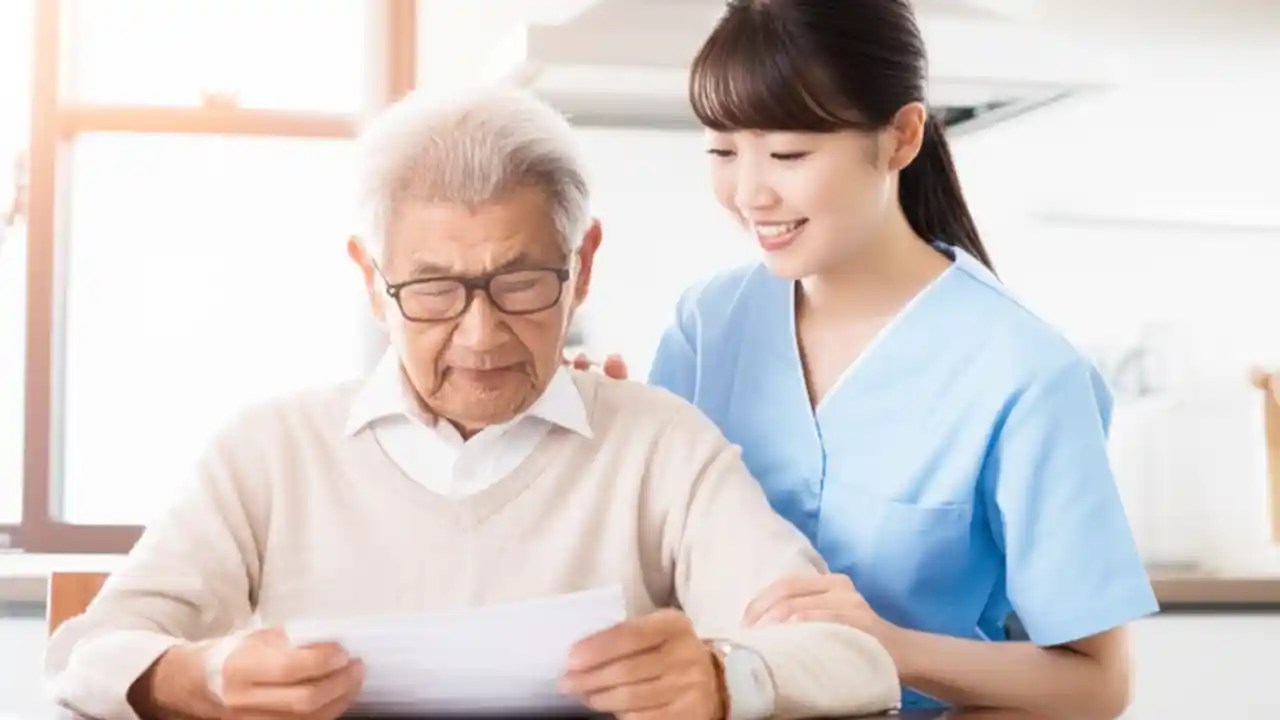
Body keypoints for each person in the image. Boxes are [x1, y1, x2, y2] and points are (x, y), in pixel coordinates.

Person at [43, 90, 901, 720]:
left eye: (523, 283)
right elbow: (87, 653)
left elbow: (854, 661)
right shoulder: (270, 450)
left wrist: (724, 678)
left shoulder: (659, 444)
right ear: (370, 283)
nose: (481, 335)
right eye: (432, 290)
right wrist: (199, 677)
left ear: (584, 264)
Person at [577, 0, 1158, 717]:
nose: (749, 192)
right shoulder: (708, 326)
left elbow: (1098, 685)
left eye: (788, 154)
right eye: (723, 152)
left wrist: (887, 644)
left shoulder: (1026, 374)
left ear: (902, 138)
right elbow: (657, 568)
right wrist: (598, 450)